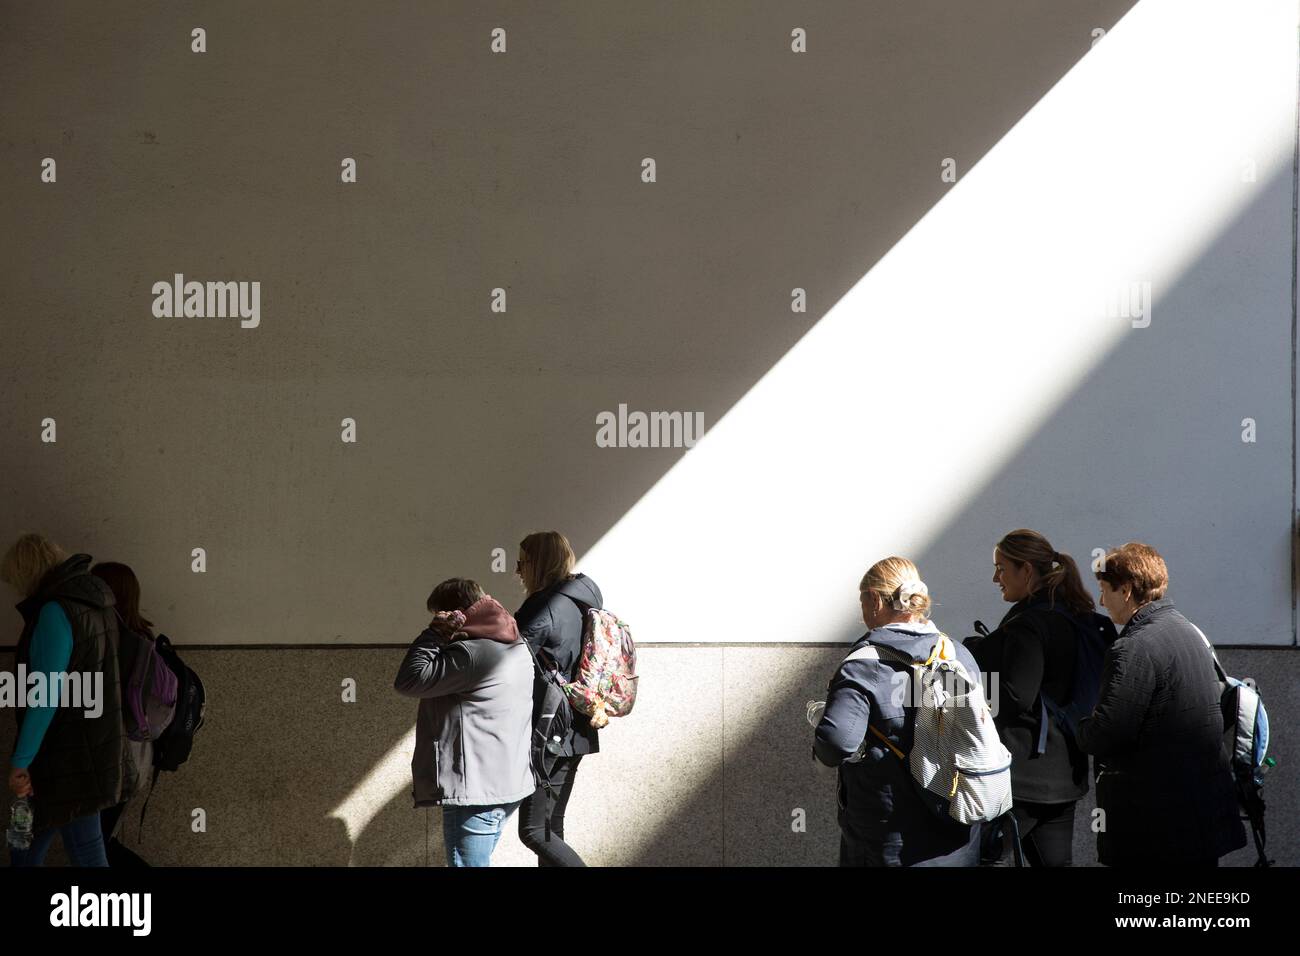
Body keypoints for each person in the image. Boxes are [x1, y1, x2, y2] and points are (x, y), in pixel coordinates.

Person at [1078, 542, 1246, 866]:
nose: (1100, 601)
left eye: (1104, 590)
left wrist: (1083, 725)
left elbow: (1107, 733)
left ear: (1125, 590)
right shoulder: (1187, 630)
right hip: (1197, 813)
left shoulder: (1133, 647)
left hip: (1154, 825)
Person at [813, 556, 982, 866]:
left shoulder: (863, 664)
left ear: (875, 600)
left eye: (862, 600)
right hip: (959, 833)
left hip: (890, 840)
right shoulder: (960, 654)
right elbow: (981, 724)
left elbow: (835, 744)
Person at [963, 529, 1110, 866]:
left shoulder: (1030, 624)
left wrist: (973, 684)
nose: (995, 578)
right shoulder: (1076, 615)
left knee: (981, 859)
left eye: (1001, 568)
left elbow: (1017, 696)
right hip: (1066, 774)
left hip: (1024, 777)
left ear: (1026, 570)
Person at [3, 534, 136, 866]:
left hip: (64, 757)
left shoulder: (55, 611)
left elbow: (45, 695)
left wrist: (21, 760)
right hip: (92, 746)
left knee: (43, 843)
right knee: (28, 841)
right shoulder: (97, 605)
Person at [394, 577, 533, 867]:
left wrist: (435, 635)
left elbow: (408, 681)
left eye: (438, 616)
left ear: (453, 615)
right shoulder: (516, 644)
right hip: (506, 781)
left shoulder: (469, 655)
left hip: (475, 789)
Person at [513, 531, 601, 867]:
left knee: (534, 831)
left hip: (549, 726)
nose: (517, 570)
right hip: (575, 724)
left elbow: (510, 659)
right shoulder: (582, 600)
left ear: (538, 563)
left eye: (522, 562)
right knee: (551, 827)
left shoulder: (545, 605)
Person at [89, 561, 158, 867]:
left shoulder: (113, 644)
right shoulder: (145, 639)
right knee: (100, 839)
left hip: (112, 759)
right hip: (138, 757)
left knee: (98, 842)